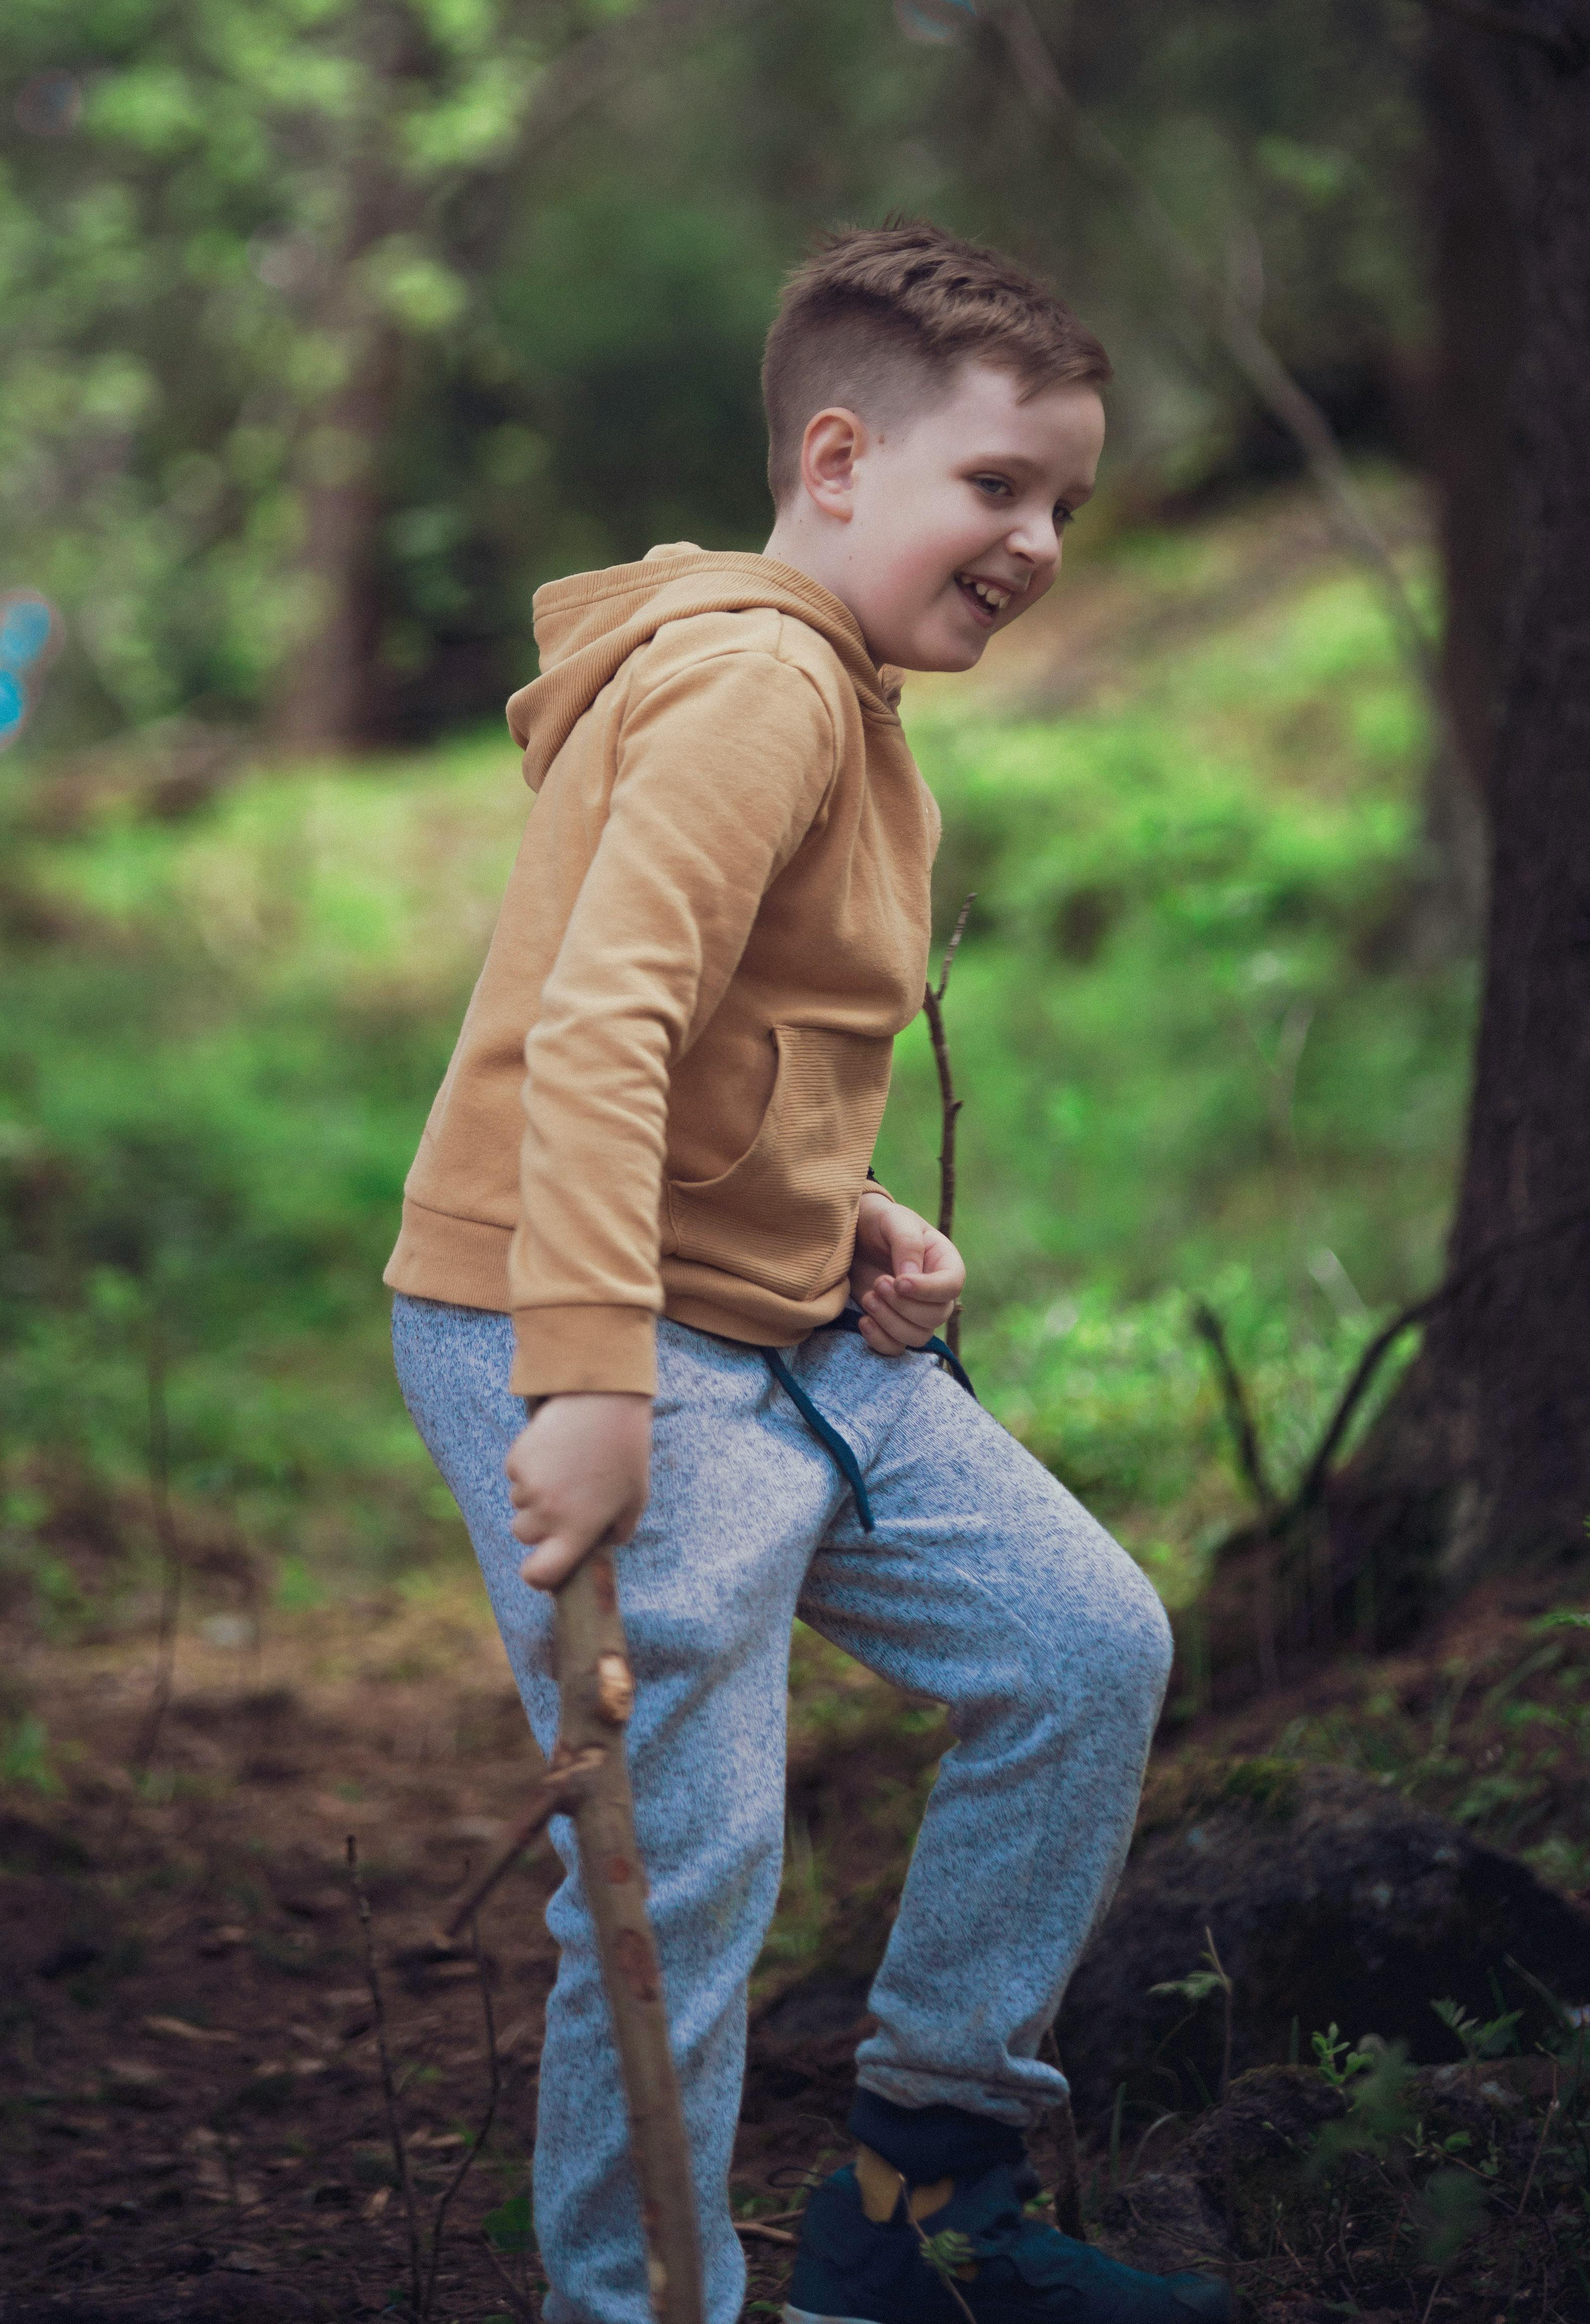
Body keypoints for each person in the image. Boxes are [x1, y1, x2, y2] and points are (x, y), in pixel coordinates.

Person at [386, 219, 1226, 2324]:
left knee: (1077, 1642)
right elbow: (598, 1025)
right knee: (679, 1871)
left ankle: (920, 2197)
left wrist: (836, 1215)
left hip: (756, 1313)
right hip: (565, 1316)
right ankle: (638, 2302)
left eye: (1065, 504)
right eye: (996, 486)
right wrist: (585, 1379)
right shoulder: (757, 679)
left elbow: (718, 1049)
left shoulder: (837, 690)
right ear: (837, 461)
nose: (1037, 541)